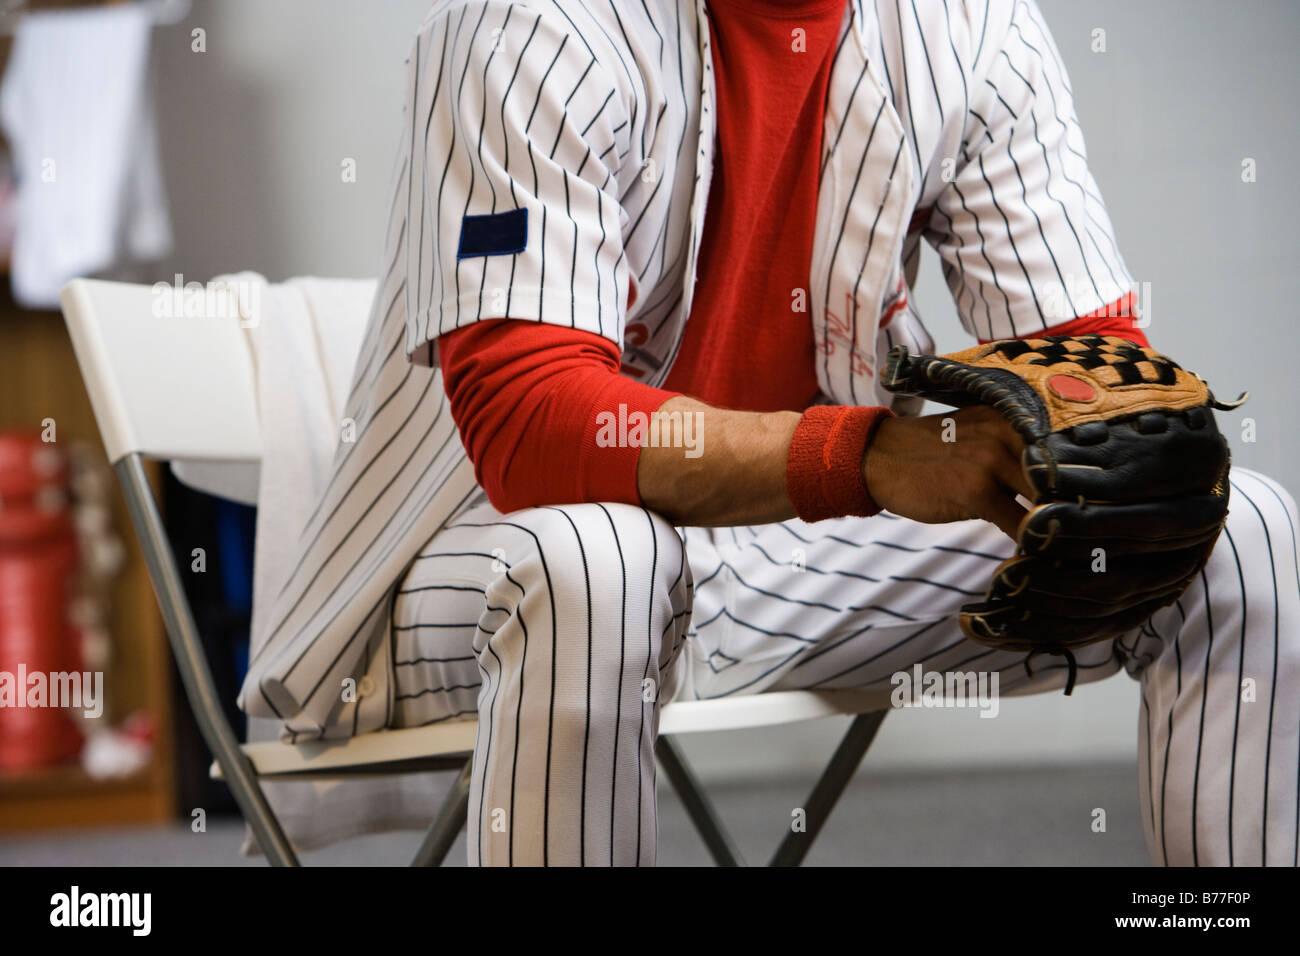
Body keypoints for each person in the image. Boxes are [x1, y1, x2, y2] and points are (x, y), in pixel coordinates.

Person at [242, 0, 1300, 866]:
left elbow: (1080, 359)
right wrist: (876, 456)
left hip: (791, 549)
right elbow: (532, 426)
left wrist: (1099, 419)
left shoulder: (968, 27)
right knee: (600, 555)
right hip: (477, 562)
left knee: (1239, 528)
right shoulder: (536, 26)